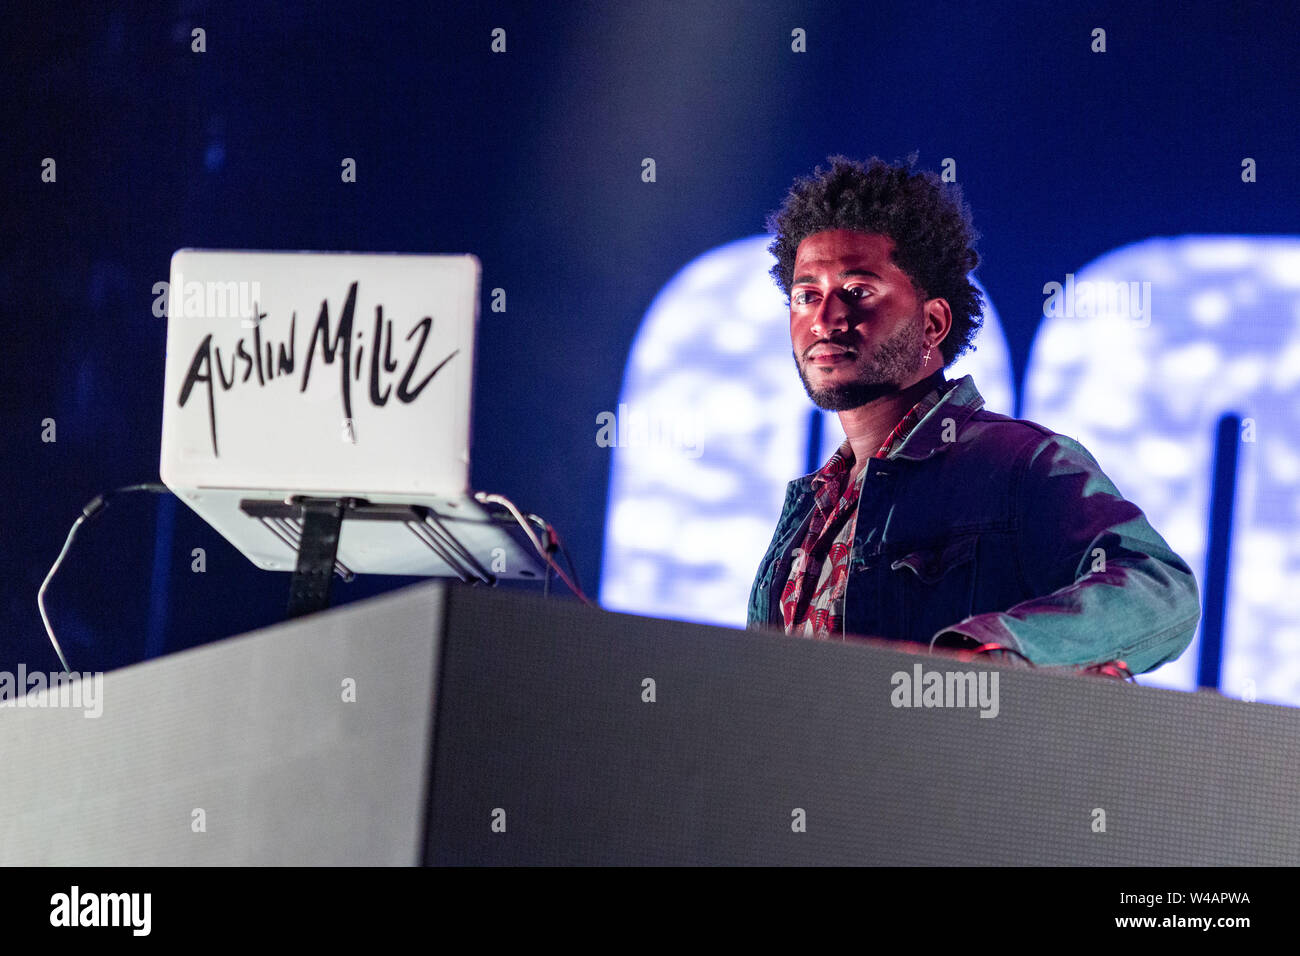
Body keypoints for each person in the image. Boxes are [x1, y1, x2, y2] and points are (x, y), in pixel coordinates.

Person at [747, 155, 1200, 676]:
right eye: (806, 295)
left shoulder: (1017, 464)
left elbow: (1158, 589)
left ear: (934, 322)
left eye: (858, 291)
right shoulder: (811, 507)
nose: (825, 318)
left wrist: (989, 654)